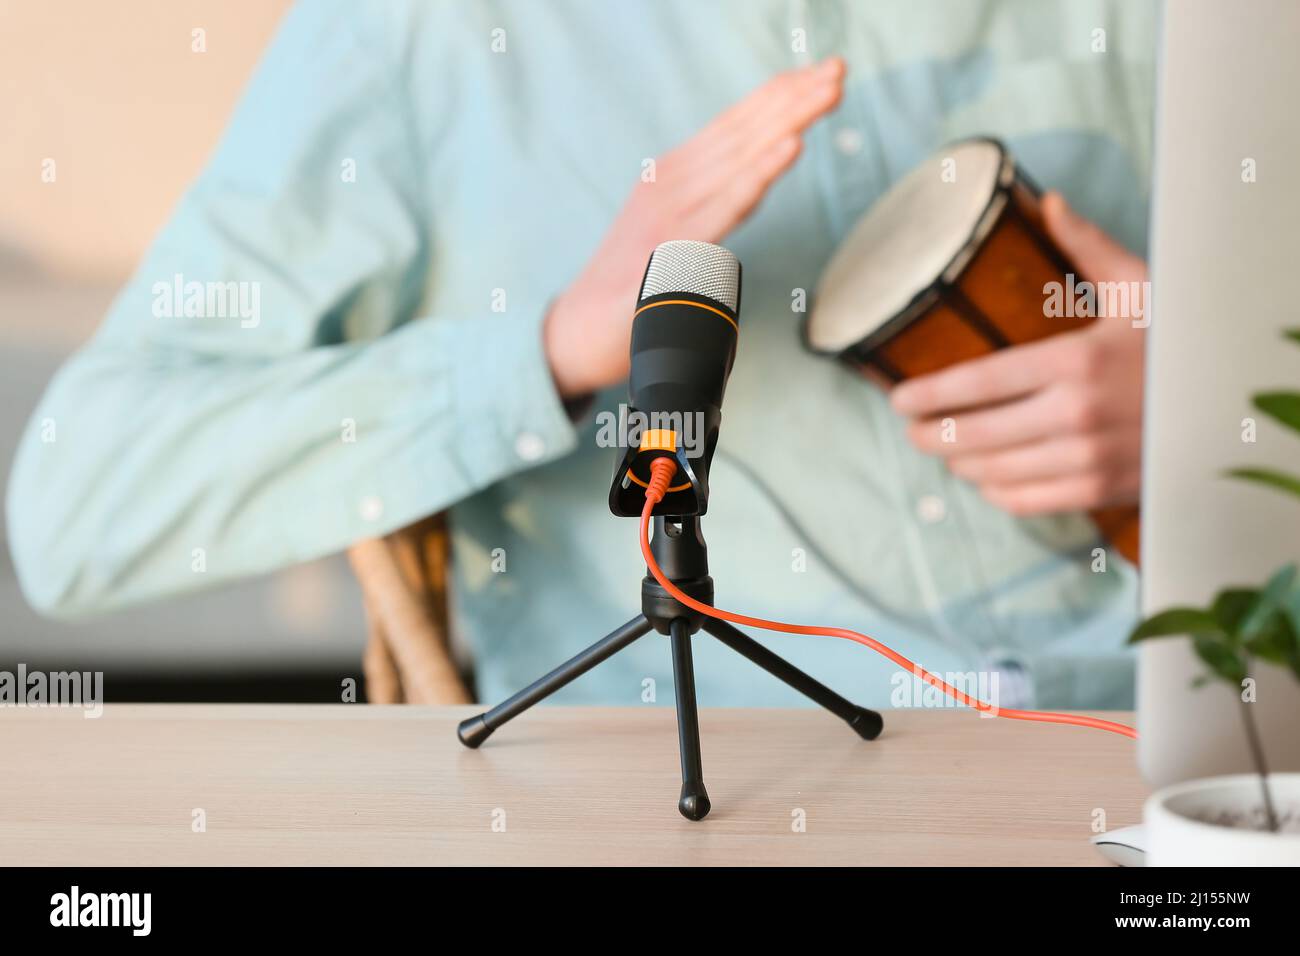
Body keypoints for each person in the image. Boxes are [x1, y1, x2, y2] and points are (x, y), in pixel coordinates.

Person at [6, 0, 1158, 710]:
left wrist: (1208, 393)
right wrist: (550, 346)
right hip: (706, 801)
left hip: (1182, 752)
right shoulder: (420, 32)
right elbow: (75, 511)